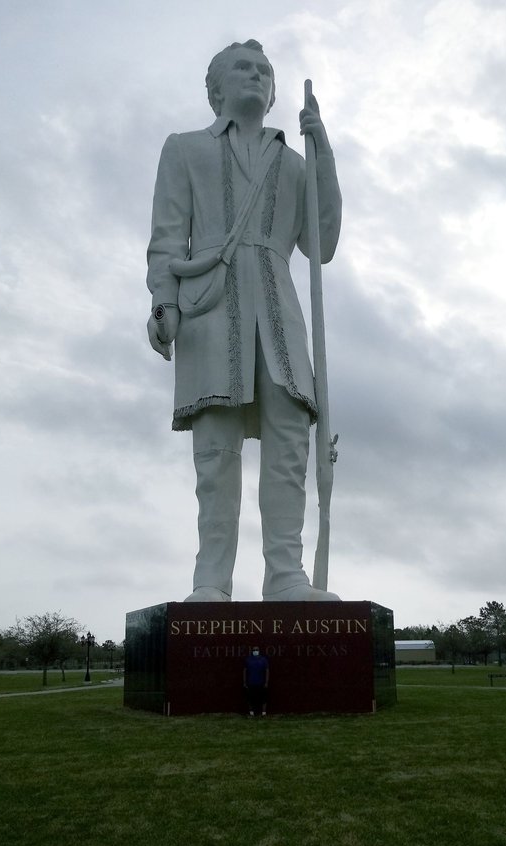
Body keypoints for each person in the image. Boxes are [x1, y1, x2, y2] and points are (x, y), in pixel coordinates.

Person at [146, 39, 342, 603]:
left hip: (280, 311)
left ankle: (286, 574)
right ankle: (211, 580)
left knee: (287, 444)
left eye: (264, 71)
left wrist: (323, 149)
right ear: (216, 88)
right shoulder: (184, 149)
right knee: (216, 453)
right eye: (243, 68)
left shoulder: (294, 161)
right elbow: (166, 237)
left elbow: (322, 243)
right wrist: (165, 301)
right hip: (211, 309)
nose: (256, 76)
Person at [243, 645, 270, 717]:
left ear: (259, 650)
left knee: (263, 698)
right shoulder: (248, 660)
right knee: (251, 699)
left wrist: (266, 682)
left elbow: (267, 671)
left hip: (261, 682)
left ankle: (263, 713)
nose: (255, 651)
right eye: (254, 650)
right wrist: (245, 682)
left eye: (256, 650)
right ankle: (251, 713)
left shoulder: (263, 659)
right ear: (252, 651)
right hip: (251, 682)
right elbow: (245, 671)